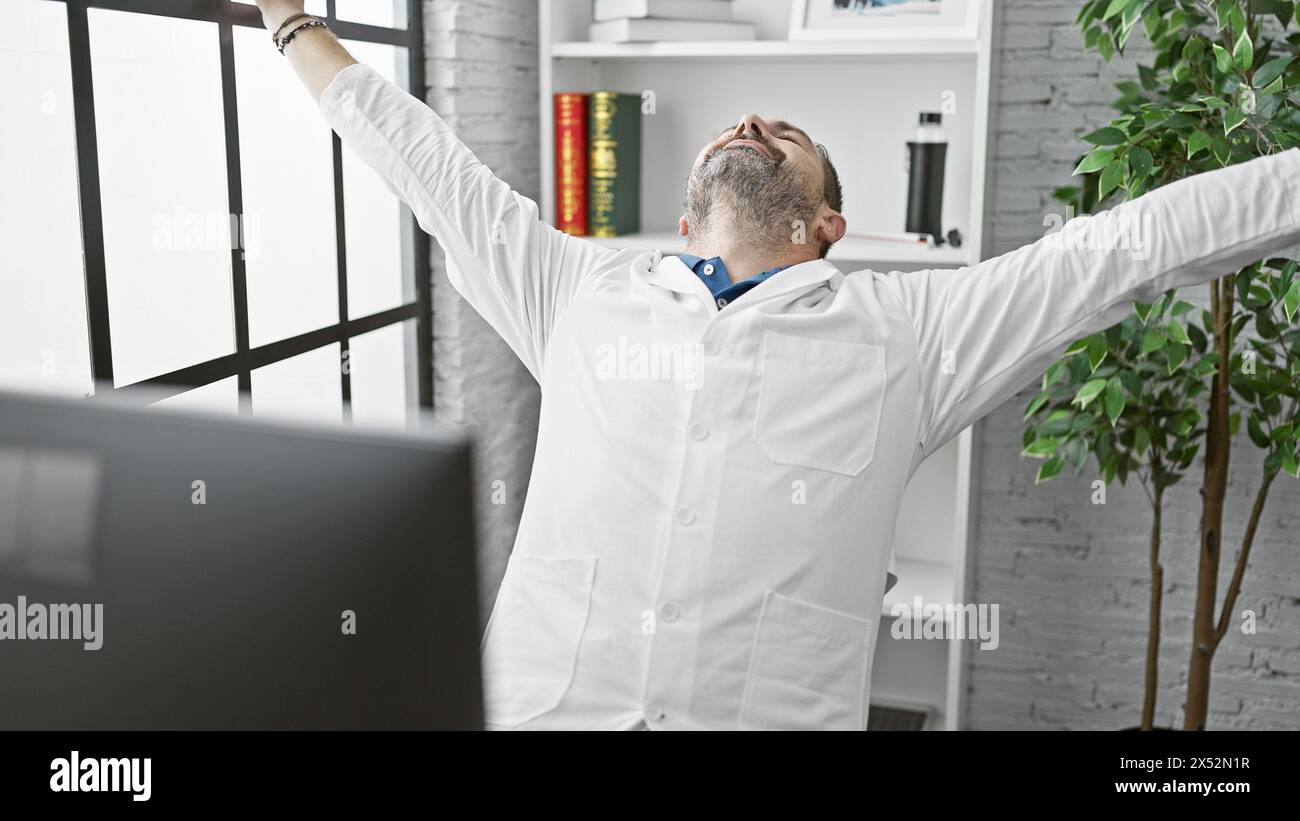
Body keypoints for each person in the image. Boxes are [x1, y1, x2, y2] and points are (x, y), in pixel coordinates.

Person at [255, 1, 1300, 730]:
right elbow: (428, 165)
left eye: (786, 132)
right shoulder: (578, 290)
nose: (753, 122)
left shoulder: (914, 329)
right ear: (683, 212)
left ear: (826, 219)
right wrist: (289, 20)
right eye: (738, 125)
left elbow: (1143, 239)